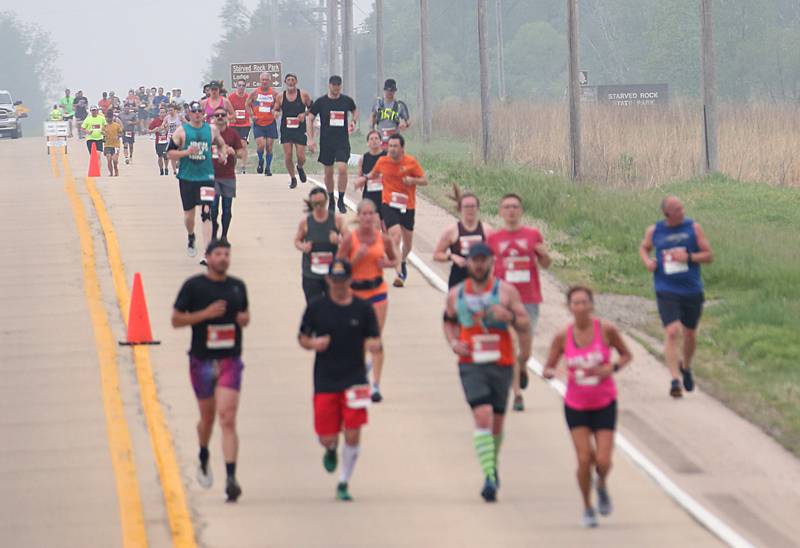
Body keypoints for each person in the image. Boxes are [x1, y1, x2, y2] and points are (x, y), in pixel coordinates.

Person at [442, 242, 531, 502]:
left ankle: (492, 464)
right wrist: (453, 343)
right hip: (471, 363)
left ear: (491, 262)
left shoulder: (506, 292)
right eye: (475, 260)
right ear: (468, 263)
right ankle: (489, 476)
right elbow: (448, 322)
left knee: (497, 424)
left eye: (483, 260)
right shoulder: (456, 294)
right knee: (483, 416)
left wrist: (510, 318)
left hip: (501, 362)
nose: (479, 264)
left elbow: (524, 323)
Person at [543, 286, 632, 527]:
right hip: (576, 404)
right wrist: (557, 371)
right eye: (576, 303)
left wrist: (610, 368)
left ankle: (601, 485)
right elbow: (547, 368)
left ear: (592, 305)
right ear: (568, 307)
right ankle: (587, 507)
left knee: (603, 460)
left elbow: (626, 355)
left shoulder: (606, 330)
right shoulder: (563, 336)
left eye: (584, 302)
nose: (580, 307)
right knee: (584, 459)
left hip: (604, 402)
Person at [298, 258, 383, 502]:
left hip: (355, 378)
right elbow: (302, 338)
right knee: (327, 437)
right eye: (334, 280)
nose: (338, 285)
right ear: (328, 280)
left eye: (342, 280)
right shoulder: (317, 308)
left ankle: (344, 481)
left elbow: (374, 338)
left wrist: (374, 345)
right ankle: (331, 448)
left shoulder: (362, 308)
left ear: (350, 280)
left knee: (354, 433)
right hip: (326, 378)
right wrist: (314, 343)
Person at [172, 239, 249, 503]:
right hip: (202, 361)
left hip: (229, 360)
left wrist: (243, 319)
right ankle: (203, 453)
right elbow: (176, 319)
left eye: (227, 254)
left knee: (227, 417)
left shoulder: (237, 287)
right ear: (208, 257)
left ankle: (231, 478)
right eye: (218, 254)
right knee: (208, 418)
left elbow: (245, 315)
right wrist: (204, 314)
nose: (224, 258)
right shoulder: (194, 287)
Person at [638, 196, 713, 398]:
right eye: (678, 209)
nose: (682, 211)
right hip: (666, 288)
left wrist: (689, 257)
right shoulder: (655, 231)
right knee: (672, 332)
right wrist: (647, 261)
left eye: (682, 207)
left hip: (691, 289)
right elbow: (644, 247)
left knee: (689, 334)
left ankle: (686, 366)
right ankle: (674, 380)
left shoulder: (693, 228)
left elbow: (708, 255)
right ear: (667, 214)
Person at [487, 193, 551, 412]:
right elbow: (486, 269)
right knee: (512, 346)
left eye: (515, 207)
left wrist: (544, 255)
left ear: (521, 211)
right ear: (500, 212)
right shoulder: (494, 239)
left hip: (529, 298)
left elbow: (546, 264)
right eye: (507, 207)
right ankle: (517, 395)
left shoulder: (533, 235)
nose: (511, 211)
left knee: (525, 351)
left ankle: (523, 366)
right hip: (504, 299)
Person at [337, 199, 397, 403]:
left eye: (372, 214)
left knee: (375, 339)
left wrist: (386, 263)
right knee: (359, 340)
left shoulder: (383, 239)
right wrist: (356, 258)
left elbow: (394, 259)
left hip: (378, 291)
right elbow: (339, 268)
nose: (368, 217)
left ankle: (376, 385)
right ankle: (359, 376)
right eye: (364, 214)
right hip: (356, 294)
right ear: (359, 216)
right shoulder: (350, 240)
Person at [167, 100, 230, 258]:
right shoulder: (181, 132)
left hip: (206, 177)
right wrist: (186, 153)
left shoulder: (212, 130)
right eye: (194, 112)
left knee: (207, 212)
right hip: (187, 177)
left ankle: (208, 251)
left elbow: (222, 144)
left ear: (203, 113)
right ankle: (191, 236)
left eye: (199, 111)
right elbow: (170, 154)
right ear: (189, 114)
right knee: (189, 215)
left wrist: (222, 154)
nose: (197, 114)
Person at [367, 133, 428, 287]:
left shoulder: (411, 162)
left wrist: (412, 180)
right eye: (390, 146)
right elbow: (373, 175)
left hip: (408, 206)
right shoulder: (383, 161)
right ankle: (400, 273)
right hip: (389, 204)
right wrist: (364, 179)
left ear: (402, 148)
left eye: (395, 146)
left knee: (408, 243)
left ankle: (402, 259)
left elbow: (424, 180)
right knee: (395, 236)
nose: (392, 149)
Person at [307, 75, 358, 214]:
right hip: (326, 141)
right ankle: (331, 198)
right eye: (334, 88)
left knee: (342, 169)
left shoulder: (346, 101)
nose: (336, 90)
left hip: (342, 141)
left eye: (338, 88)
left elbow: (354, 110)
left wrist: (353, 121)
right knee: (328, 172)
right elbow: (310, 118)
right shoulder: (321, 102)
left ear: (340, 87)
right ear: (329, 86)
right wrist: (310, 139)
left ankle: (341, 199)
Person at [295, 187, 348, 303]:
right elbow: (297, 241)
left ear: (326, 202)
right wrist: (303, 247)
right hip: (311, 274)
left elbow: (350, 241)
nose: (319, 207)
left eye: (321, 203)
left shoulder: (337, 220)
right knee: (314, 308)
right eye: (315, 204)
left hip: (333, 274)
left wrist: (339, 240)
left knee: (334, 308)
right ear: (311, 203)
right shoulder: (305, 222)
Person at [434, 186, 489, 288]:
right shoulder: (451, 231)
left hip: (482, 281)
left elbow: (498, 255)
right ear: (460, 209)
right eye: (466, 207)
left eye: (473, 206)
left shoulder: (487, 230)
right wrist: (451, 257)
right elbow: (437, 255)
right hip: (458, 281)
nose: (470, 210)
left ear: (478, 208)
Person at [211, 107, 247, 243]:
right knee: (212, 208)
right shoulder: (208, 134)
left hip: (228, 177)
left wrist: (233, 151)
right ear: (213, 118)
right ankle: (213, 235)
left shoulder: (233, 134)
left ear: (227, 117)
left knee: (227, 208)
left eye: (222, 115)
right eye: (217, 115)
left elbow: (241, 153)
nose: (220, 117)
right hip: (211, 177)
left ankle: (224, 236)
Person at [275, 73, 312, 189]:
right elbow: (275, 109)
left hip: (299, 129)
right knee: (288, 156)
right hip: (286, 129)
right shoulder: (281, 96)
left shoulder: (303, 95)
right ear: (285, 82)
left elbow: (313, 108)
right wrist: (275, 113)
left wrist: (304, 114)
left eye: (293, 80)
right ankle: (292, 178)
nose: (291, 82)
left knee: (301, 156)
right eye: (288, 80)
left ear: (296, 82)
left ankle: (300, 167)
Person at [246, 72, 279, 176]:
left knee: (269, 147)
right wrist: (252, 115)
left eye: (266, 80)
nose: (264, 82)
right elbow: (247, 105)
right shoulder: (254, 93)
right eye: (262, 80)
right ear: (260, 81)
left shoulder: (274, 94)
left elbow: (279, 106)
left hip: (270, 123)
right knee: (261, 145)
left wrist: (276, 111)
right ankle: (260, 161)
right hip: (258, 123)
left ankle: (268, 168)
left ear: (270, 81)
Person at [353, 131, 386, 222]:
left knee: (385, 225)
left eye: (376, 138)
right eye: (371, 139)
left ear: (381, 142)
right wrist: (358, 183)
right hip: (369, 195)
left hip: (384, 195)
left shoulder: (386, 157)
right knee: (372, 224)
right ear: (367, 143)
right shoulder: (364, 158)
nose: (374, 141)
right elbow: (359, 176)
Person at [369, 78, 410, 147]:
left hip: (394, 140)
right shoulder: (378, 103)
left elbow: (408, 121)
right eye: (388, 90)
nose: (390, 93)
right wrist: (372, 130)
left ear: (394, 91)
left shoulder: (400, 105)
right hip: (380, 140)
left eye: (392, 91)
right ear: (384, 90)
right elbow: (372, 116)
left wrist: (404, 124)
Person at [228, 79, 252, 167]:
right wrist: (230, 117)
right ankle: (232, 165)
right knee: (233, 146)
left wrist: (251, 116)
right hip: (233, 124)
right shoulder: (231, 97)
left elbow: (252, 109)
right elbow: (227, 110)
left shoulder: (248, 97)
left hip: (245, 124)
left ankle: (243, 166)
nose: (241, 87)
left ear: (245, 87)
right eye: (239, 85)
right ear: (236, 86)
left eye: (243, 85)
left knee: (243, 144)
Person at [163, 103, 183, 176]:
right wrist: (165, 126)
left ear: (175, 110)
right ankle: (175, 170)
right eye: (168, 110)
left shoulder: (179, 116)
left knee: (179, 154)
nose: (169, 112)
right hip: (170, 137)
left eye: (171, 110)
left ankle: (178, 166)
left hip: (179, 137)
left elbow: (187, 123)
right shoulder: (167, 118)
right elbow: (162, 125)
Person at [149, 106, 169, 175]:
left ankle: (166, 168)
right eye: (161, 112)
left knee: (165, 155)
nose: (162, 114)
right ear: (159, 113)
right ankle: (161, 169)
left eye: (164, 112)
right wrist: (155, 130)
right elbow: (149, 130)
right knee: (160, 156)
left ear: (166, 113)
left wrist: (167, 128)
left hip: (167, 141)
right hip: (158, 141)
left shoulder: (169, 120)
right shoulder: (155, 121)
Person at [102, 109, 123, 176]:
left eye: (110, 118)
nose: (109, 119)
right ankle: (111, 173)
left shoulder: (116, 125)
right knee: (109, 159)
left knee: (114, 160)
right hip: (107, 145)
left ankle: (116, 169)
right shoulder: (104, 126)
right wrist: (103, 135)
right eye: (107, 118)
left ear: (112, 118)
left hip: (116, 145)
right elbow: (101, 134)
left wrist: (118, 136)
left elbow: (121, 133)